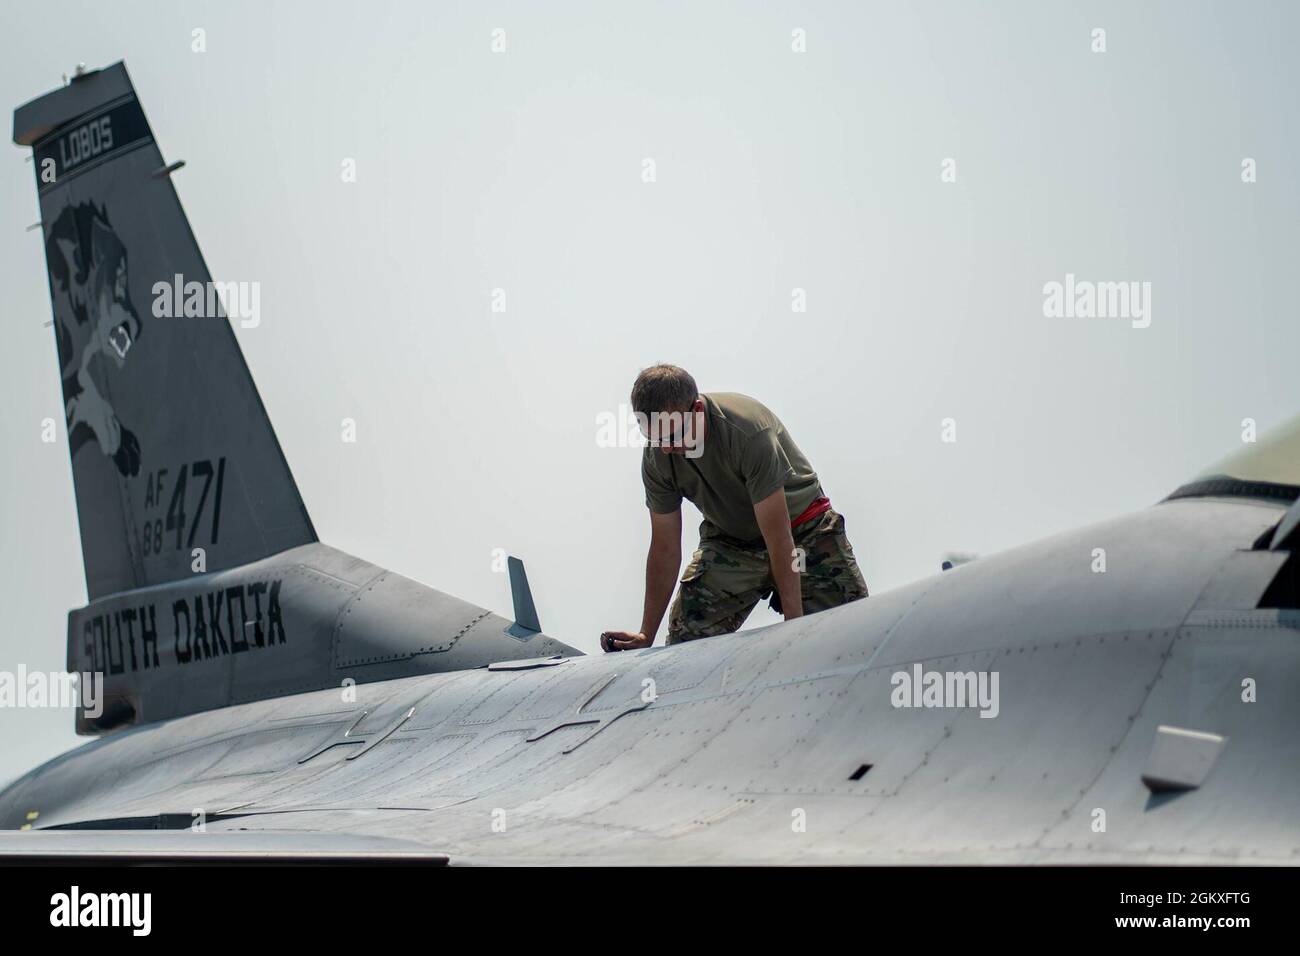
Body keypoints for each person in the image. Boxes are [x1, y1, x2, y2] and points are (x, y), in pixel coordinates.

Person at [601, 364, 868, 651]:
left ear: (698, 411)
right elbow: (665, 548)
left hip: (802, 534)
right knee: (684, 642)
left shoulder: (748, 433)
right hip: (731, 544)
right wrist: (645, 634)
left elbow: (779, 540)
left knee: (854, 635)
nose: (667, 448)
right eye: (655, 438)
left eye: (673, 436)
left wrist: (794, 629)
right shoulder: (658, 457)